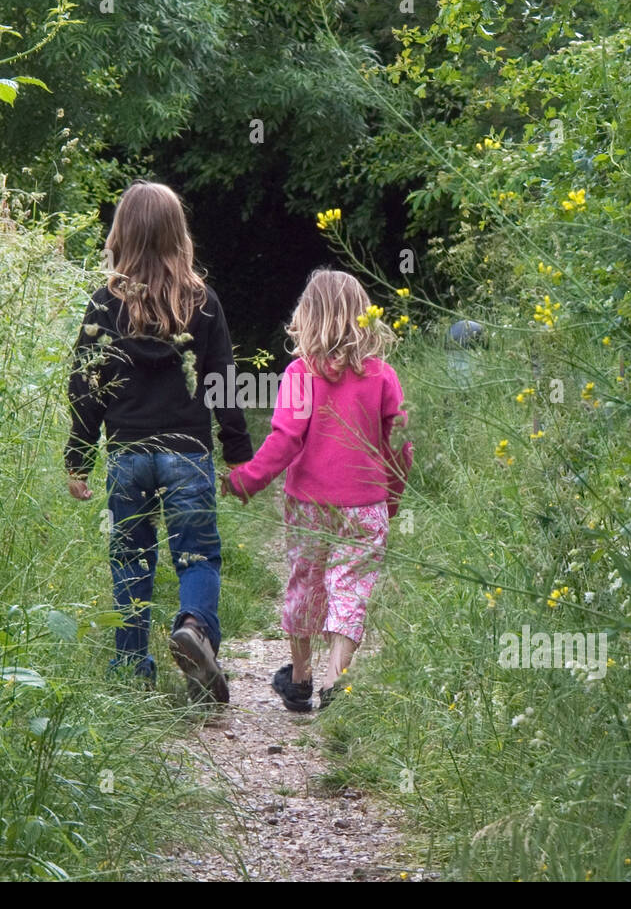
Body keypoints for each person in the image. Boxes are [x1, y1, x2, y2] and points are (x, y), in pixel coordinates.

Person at [64, 181, 253, 702]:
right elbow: (223, 382)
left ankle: (130, 666)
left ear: (122, 233)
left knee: (130, 557)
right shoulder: (203, 301)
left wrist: (78, 457)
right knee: (197, 558)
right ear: (178, 232)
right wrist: (237, 453)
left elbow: (85, 384)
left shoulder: (104, 304)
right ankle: (195, 629)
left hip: (127, 456)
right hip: (187, 456)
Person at [221, 269, 408, 711]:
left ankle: (301, 678)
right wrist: (393, 496)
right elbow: (400, 445)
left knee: (305, 584)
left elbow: (285, 439)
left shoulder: (300, 374)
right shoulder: (383, 376)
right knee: (351, 588)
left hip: (308, 504)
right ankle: (334, 680)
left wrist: (246, 479)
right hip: (365, 504)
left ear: (308, 316)